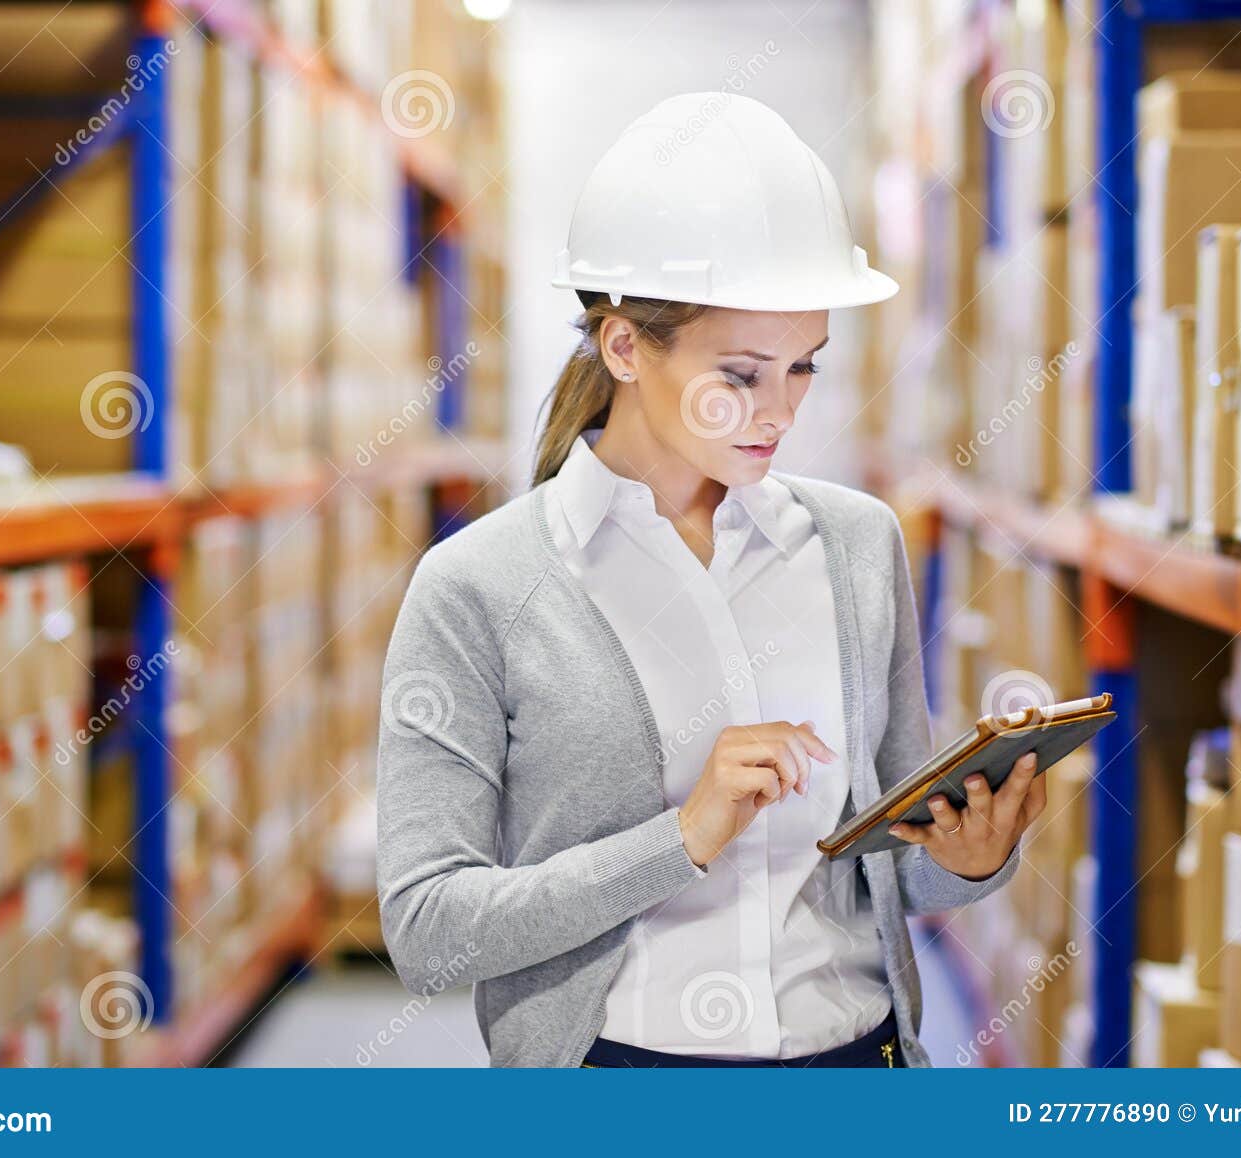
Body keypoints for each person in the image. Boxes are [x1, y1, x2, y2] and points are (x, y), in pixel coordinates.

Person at [375, 93, 1044, 1068]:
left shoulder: (858, 546)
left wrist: (970, 861)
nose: (778, 412)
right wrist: (681, 837)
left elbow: (891, 861)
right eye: (738, 374)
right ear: (623, 346)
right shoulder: (480, 586)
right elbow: (431, 932)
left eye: (803, 367)